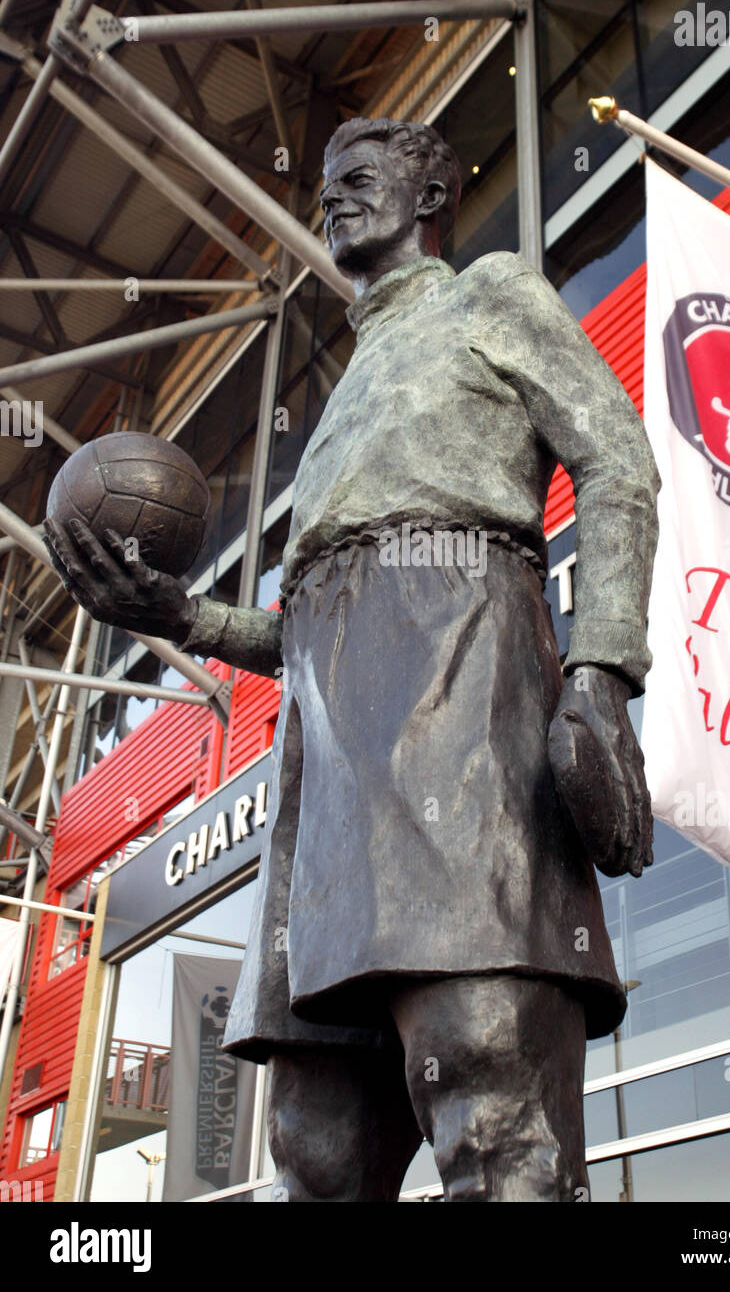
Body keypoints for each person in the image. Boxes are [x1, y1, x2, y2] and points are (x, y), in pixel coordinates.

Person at [44, 116, 660, 1202]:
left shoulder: (490, 295)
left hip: (470, 713)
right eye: (324, 183)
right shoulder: (344, 394)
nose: (332, 197)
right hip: (327, 784)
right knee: (315, 1145)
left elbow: (616, 468)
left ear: (431, 195)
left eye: (360, 178)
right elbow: (306, 630)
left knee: (492, 1101)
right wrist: (179, 616)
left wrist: (602, 668)